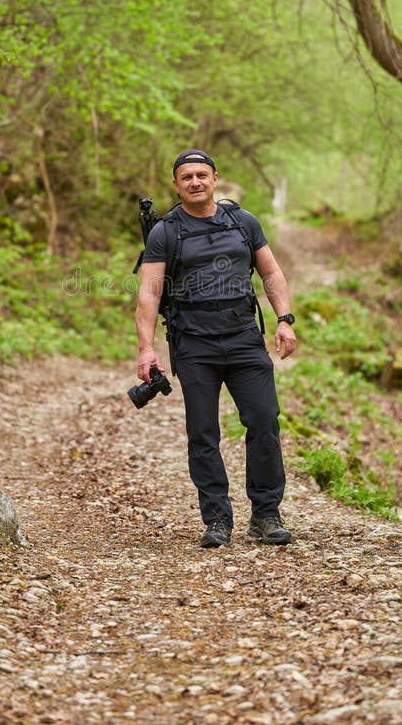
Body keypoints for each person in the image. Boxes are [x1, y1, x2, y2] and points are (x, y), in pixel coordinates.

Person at [135, 149, 296, 548]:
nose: (195, 182)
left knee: (264, 421)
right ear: (176, 184)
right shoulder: (165, 232)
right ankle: (217, 519)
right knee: (203, 432)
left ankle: (265, 514)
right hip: (193, 344)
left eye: (201, 175)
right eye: (186, 176)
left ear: (215, 178)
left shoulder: (243, 223)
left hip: (243, 338)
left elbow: (271, 272)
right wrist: (146, 349)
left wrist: (285, 319)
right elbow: (150, 293)